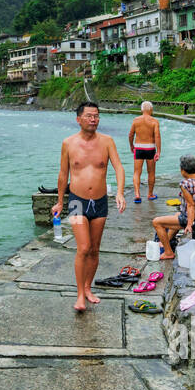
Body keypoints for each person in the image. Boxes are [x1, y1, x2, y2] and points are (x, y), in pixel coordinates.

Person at [52, 101, 126, 313]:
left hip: (100, 201)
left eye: (96, 116)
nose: (94, 119)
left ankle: (87, 288)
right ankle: (79, 295)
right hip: (76, 200)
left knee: (94, 249)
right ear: (78, 119)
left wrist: (119, 192)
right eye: (89, 116)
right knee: (83, 248)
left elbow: (119, 167)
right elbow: (62, 174)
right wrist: (59, 201)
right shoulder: (68, 143)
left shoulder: (107, 141)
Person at [152, 155, 195, 259]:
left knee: (157, 222)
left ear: (182, 170)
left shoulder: (186, 183)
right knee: (177, 214)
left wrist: (189, 224)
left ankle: (168, 252)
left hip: (194, 221)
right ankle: (166, 241)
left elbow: (190, 205)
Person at [127, 101, 161, 203]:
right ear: (151, 110)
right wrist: (158, 151)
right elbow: (157, 136)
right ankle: (150, 194)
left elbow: (130, 134)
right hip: (150, 148)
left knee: (137, 172)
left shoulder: (136, 120)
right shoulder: (154, 121)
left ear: (141, 110)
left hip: (139, 148)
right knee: (151, 172)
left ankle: (137, 194)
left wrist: (131, 145)